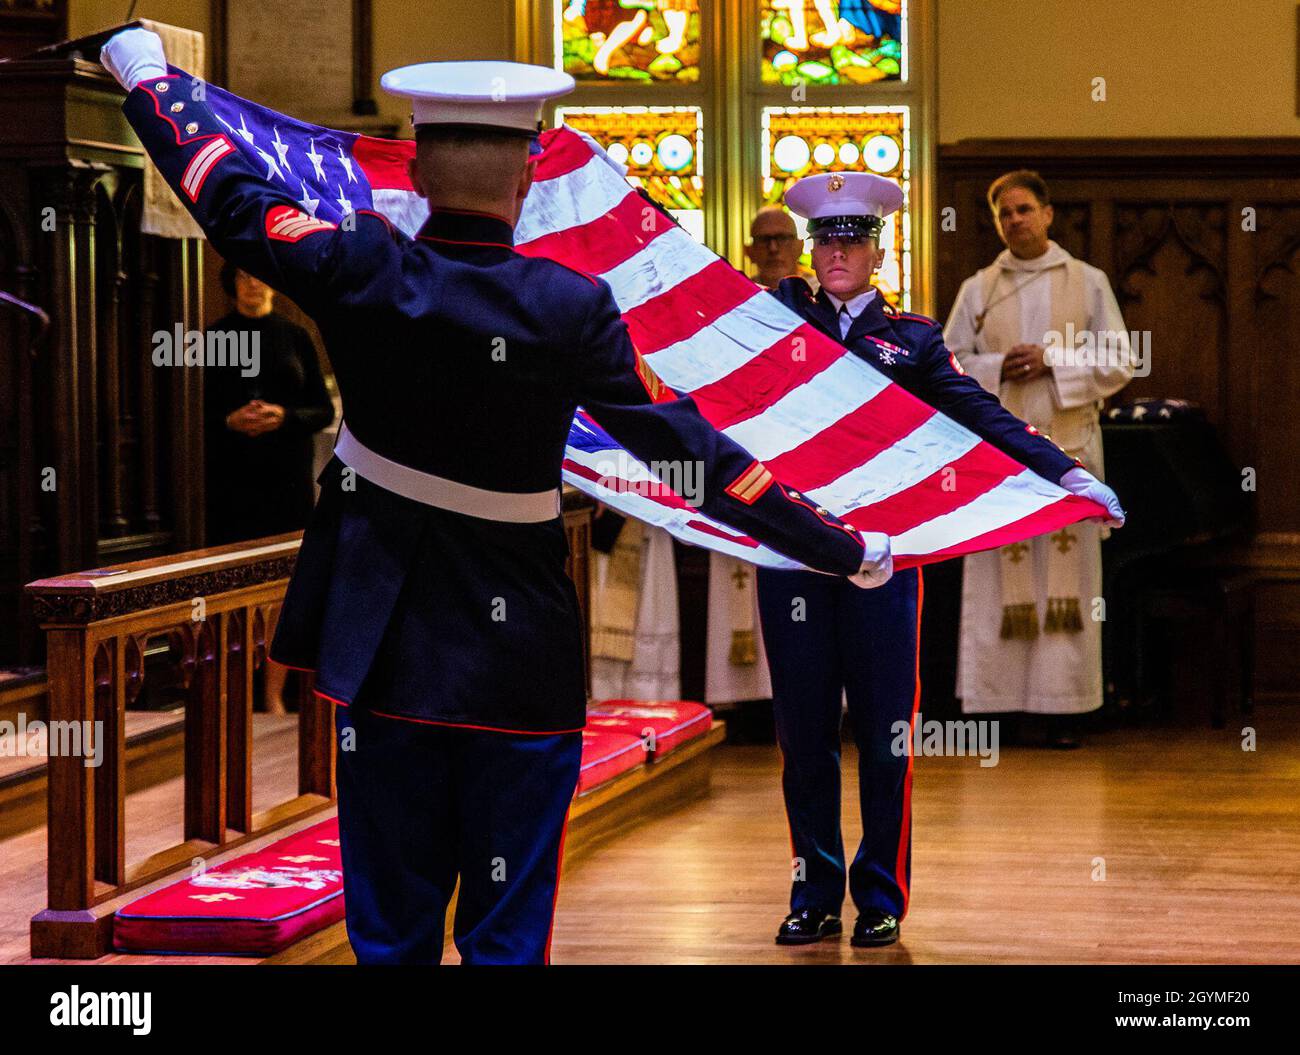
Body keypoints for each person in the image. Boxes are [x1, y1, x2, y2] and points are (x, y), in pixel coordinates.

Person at [101, 28, 892, 965]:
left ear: (417, 177)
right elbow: (690, 452)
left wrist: (145, 76)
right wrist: (836, 544)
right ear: (526, 183)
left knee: (390, 932)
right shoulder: (570, 306)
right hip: (519, 661)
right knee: (506, 931)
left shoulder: (360, 264)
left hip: (386, 645)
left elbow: (229, 195)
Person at [760, 171, 1125, 948]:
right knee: (803, 736)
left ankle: (882, 894)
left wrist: (1067, 471)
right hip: (793, 555)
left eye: (851, 240)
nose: (835, 253)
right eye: (824, 238)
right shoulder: (775, 318)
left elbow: (985, 416)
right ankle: (814, 890)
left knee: (888, 733)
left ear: (877, 249)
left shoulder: (915, 338)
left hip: (883, 560)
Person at [944, 170, 1134, 748]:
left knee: (1067, 580)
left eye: (1025, 210)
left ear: (1049, 214)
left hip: (1067, 453)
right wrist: (996, 365)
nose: (1015, 221)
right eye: (1005, 214)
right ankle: (996, 708)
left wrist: (1052, 359)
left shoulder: (1088, 280)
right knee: (996, 578)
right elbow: (947, 364)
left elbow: (1122, 359)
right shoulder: (981, 287)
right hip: (999, 462)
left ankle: (1062, 709)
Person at [205, 261, 334, 713]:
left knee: (284, 585)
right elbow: (189, 412)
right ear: (231, 285)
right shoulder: (213, 338)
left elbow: (320, 410)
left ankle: (273, 694)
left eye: (258, 274)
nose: (253, 282)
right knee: (233, 587)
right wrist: (229, 420)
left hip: (286, 480)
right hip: (233, 481)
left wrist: (283, 416)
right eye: (243, 275)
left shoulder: (295, 336)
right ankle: (230, 692)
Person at [745, 204, 813, 290]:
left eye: (783, 238)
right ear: (749, 251)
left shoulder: (822, 296)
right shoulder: (741, 296)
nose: (773, 248)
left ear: (800, 246)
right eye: (763, 239)